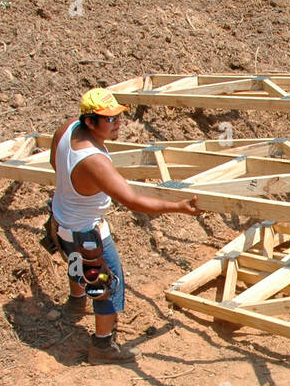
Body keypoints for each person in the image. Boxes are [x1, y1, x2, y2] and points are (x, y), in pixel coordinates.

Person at [50, 88, 201, 365]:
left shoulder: (67, 129)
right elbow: (132, 200)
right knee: (108, 284)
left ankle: (75, 303)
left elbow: (54, 164)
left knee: (74, 260)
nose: (118, 123)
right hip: (87, 231)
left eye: (118, 116)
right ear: (90, 122)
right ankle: (102, 346)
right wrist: (177, 206)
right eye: (109, 119)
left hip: (62, 219)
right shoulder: (94, 161)